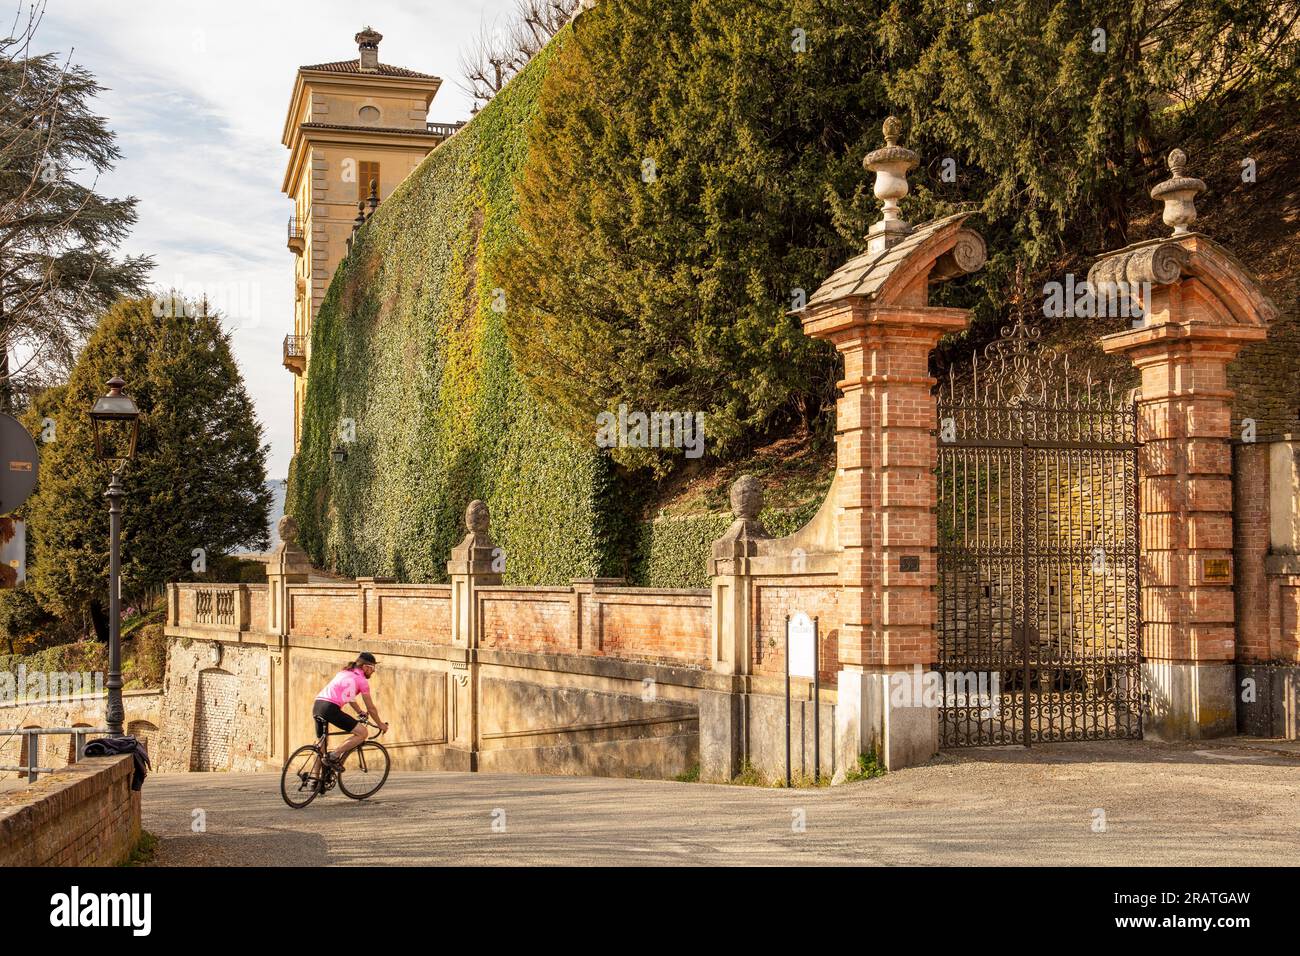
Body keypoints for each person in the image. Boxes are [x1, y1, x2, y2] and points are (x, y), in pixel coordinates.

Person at [312, 652, 389, 770]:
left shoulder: (343, 672)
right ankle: (333, 756)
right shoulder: (362, 680)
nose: (373, 671)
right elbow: (371, 708)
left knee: (321, 745)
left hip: (318, 705)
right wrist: (380, 724)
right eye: (372, 668)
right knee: (362, 733)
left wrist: (359, 711)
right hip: (330, 708)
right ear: (365, 667)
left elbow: (348, 696)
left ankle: (314, 780)